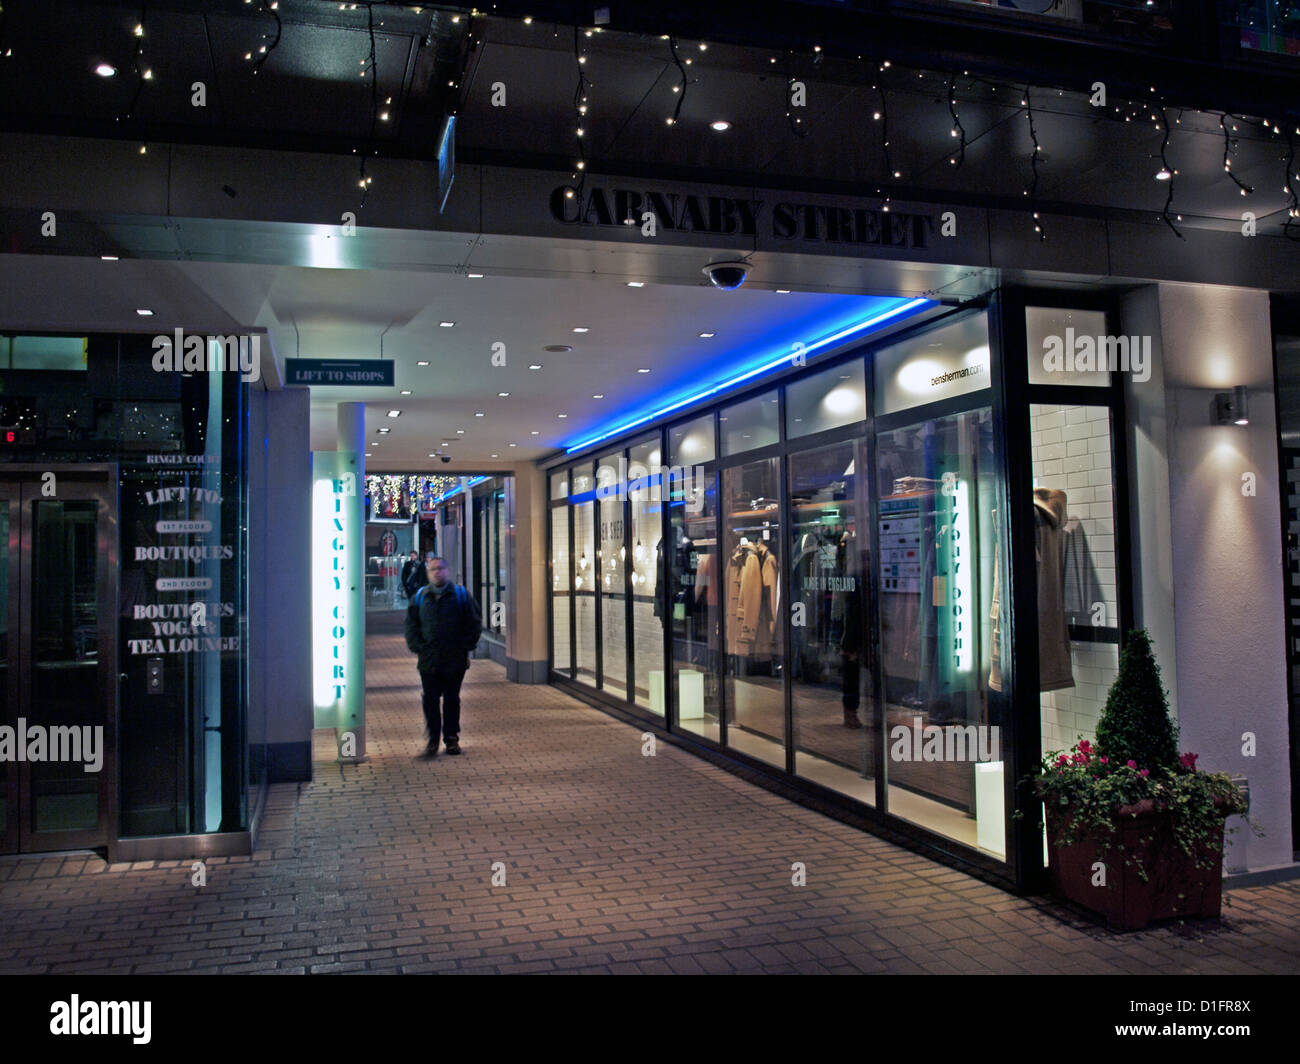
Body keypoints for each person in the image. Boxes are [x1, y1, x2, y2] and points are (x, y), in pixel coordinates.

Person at [404, 556, 482, 758]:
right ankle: (433, 740)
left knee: (451, 700)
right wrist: (419, 647)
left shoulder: (460, 595)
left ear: (447, 571)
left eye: (440, 568)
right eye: (433, 569)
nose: (437, 572)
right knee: (430, 700)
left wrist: (465, 647)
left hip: (454, 660)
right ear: (428, 573)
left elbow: (474, 623)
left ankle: (451, 739)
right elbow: (411, 626)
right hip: (429, 661)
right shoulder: (421, 597)